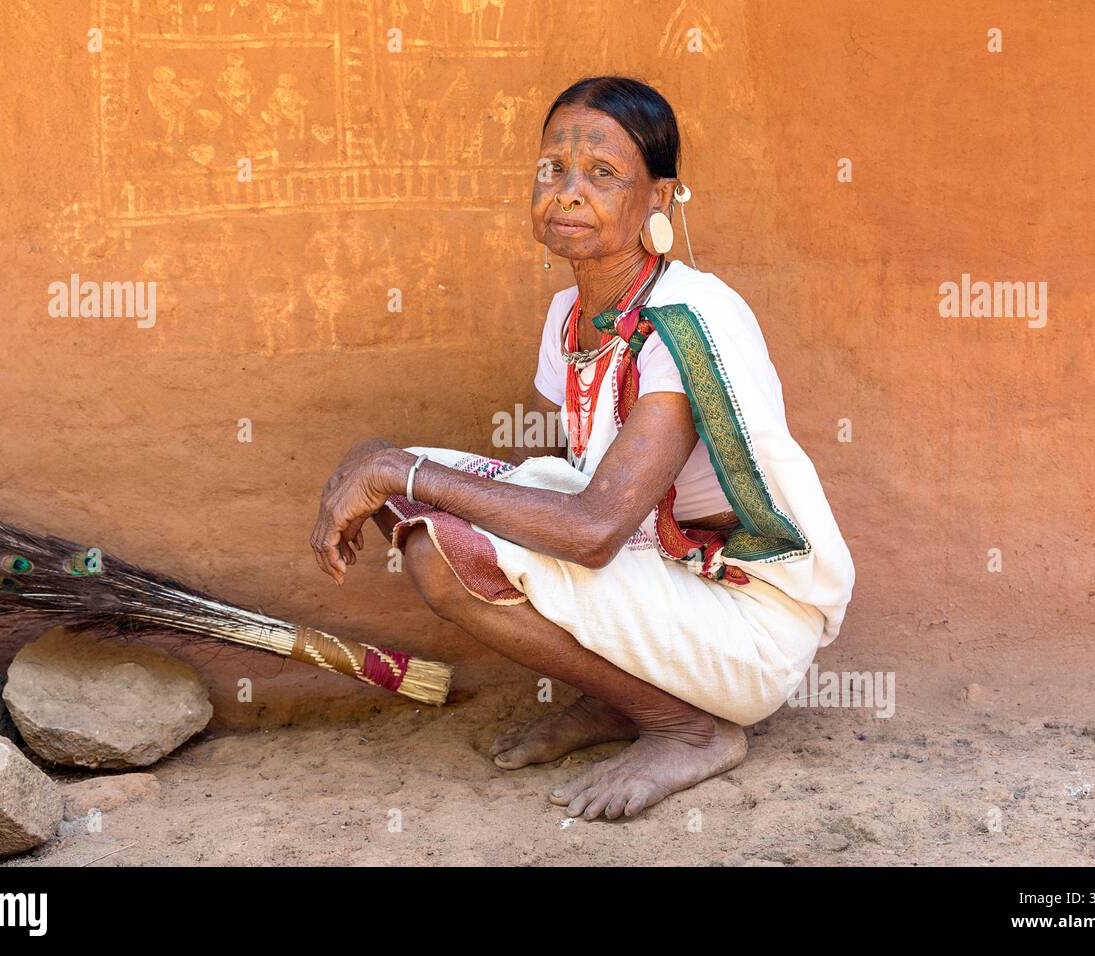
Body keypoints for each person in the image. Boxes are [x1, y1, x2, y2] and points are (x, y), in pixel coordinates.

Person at [310, 76, 855, 820]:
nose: (567, 192)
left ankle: (686, 727)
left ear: (661, 197)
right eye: (552, 170)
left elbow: (595, 531)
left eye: (603, 174)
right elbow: (572, 482)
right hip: (659, 578)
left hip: (744, 621)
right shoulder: (571, 312)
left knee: (439, 544)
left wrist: (399, 469)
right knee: (409, 491)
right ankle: (623, 697)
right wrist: (390, 465)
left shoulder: (687, 321)